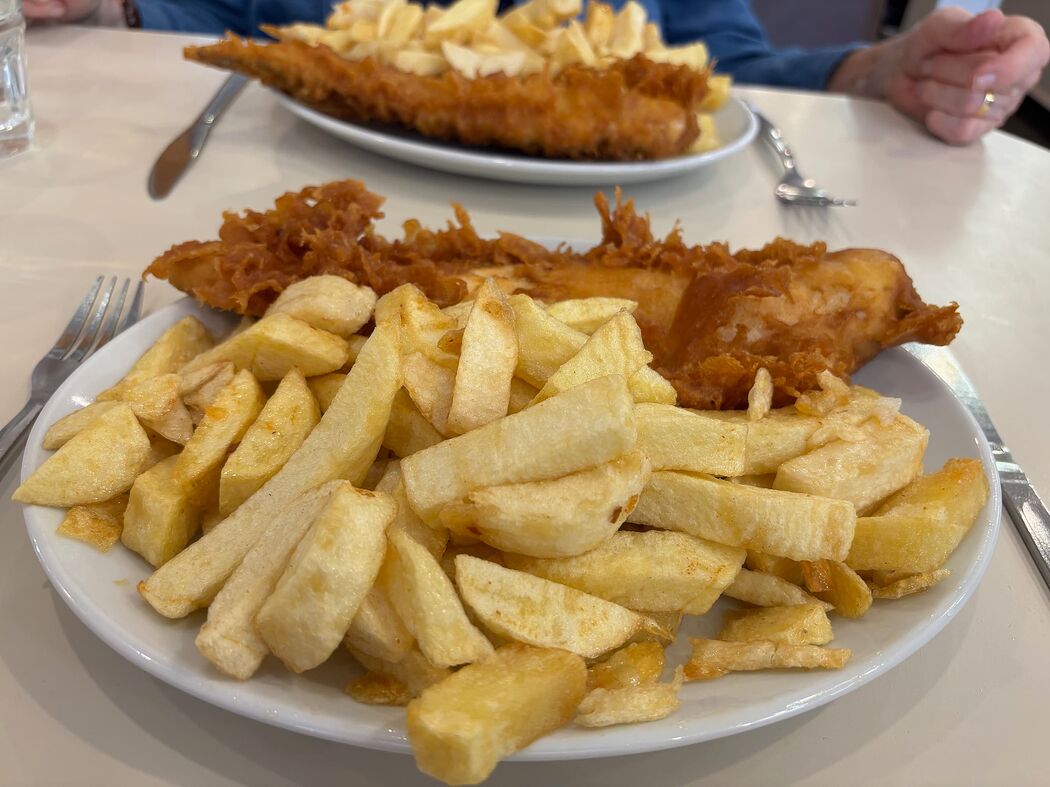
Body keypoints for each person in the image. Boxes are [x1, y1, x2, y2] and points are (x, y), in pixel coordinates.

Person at [24, 0, 1049, 145]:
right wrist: (108, 7)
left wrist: (881, 73)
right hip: (308, 185)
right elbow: (220, 19)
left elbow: (726, 69)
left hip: (612, 221)